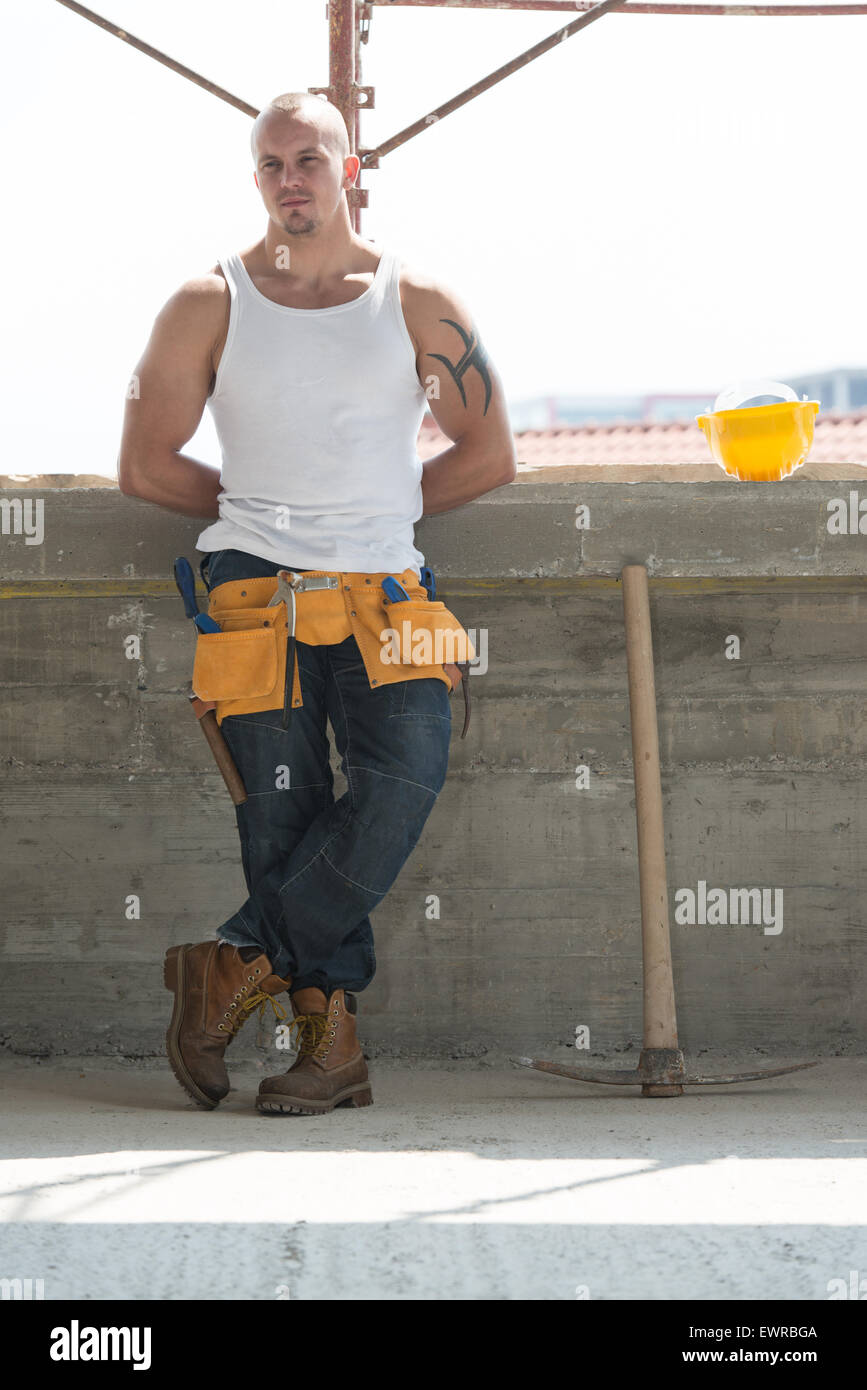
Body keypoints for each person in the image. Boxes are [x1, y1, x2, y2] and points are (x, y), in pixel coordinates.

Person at [118, 90, 516, 1116]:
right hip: (254, 594)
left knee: (406, 775)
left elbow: (489, 451)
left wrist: (369, 511)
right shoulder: (208, 302)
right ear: (257, 179)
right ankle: (330, 1049)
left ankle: (234, 960)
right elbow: (145, 462)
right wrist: (272, 517)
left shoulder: (414, 297)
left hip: (387, 590)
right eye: (271, 163)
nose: (290, 178)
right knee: (283, 823)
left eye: (310, 159)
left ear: (349, 169)